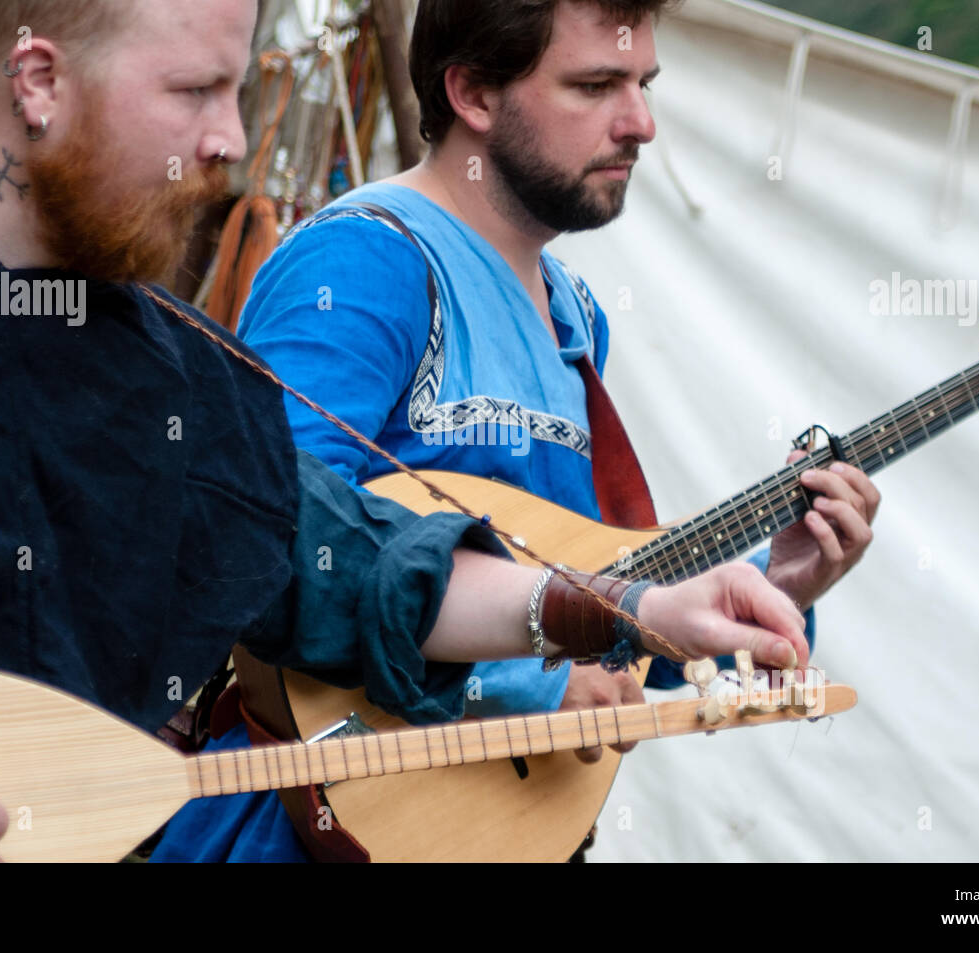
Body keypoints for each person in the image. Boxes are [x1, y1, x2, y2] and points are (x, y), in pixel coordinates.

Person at [0, 0, 812, 863]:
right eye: (195, 92)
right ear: (39, 81)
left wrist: (630, 605)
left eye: (237, 91)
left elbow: (354, 562)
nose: (227, 138)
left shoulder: (178, 372)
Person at [153, 0, 881, 861]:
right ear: (473, 94)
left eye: (643, 84)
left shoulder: (576, 318)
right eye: (595, 85)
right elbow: (268, 551)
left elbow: (597, 599)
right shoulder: (361, 262)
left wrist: (775, 581)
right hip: (320, 830)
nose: (640, 122)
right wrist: (521, 683)